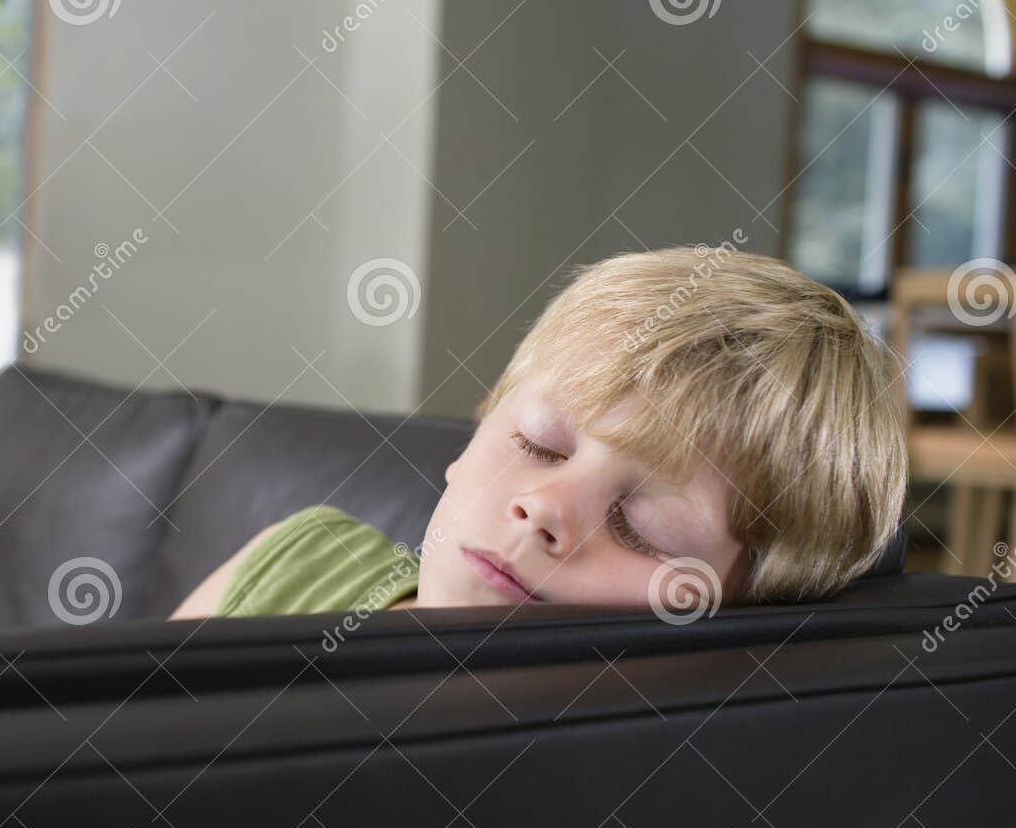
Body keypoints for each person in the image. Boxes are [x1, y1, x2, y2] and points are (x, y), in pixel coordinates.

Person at [170, 246, 909, 619]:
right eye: (538, 444)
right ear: (469, 444)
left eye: (643, 528)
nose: (546, 509)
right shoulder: (293, 564)